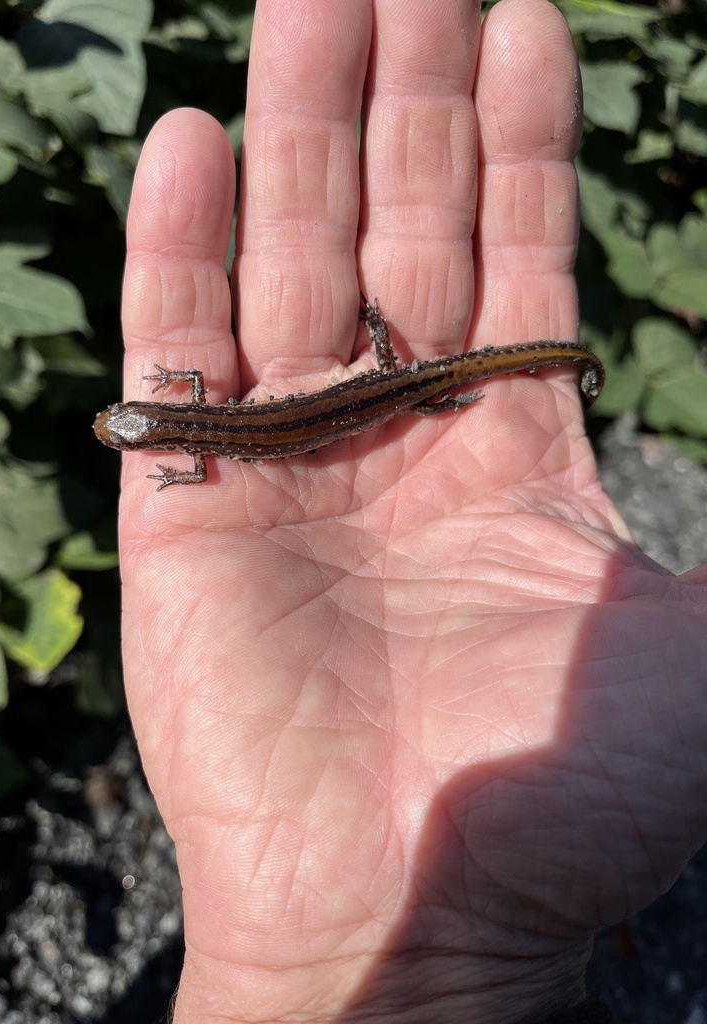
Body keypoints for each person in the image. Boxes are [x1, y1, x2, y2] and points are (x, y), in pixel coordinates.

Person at [114, 0, 707, 1020]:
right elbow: (202, 428)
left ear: (151, 435)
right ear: (156, 428)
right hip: (370, 390)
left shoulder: (195, 447)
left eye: (131, 428)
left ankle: (503, 371)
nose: (137, 431)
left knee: (427, 380)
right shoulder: (197, 424)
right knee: (416, 381)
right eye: (136, 431)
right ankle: (482, 372)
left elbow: (199, 453)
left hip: (371, 394)